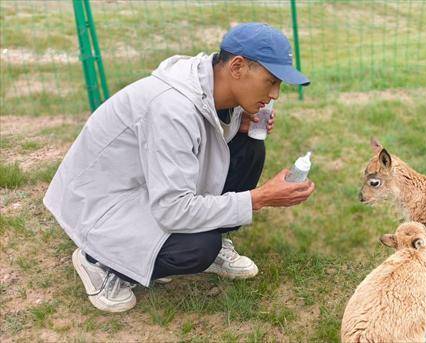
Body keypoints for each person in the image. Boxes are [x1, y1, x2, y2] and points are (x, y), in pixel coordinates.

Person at [43, 23, 315, 313]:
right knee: (197, 248)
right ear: (237, 67)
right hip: (101, 205)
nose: (275, 94)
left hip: (146, 186)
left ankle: (210, 238)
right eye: (271, 81)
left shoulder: (214, 86)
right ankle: (100, 261)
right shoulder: (172, 108)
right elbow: (173, 209)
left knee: (249, 146)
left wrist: (238, 125)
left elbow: (201, 138)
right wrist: (259, 198)